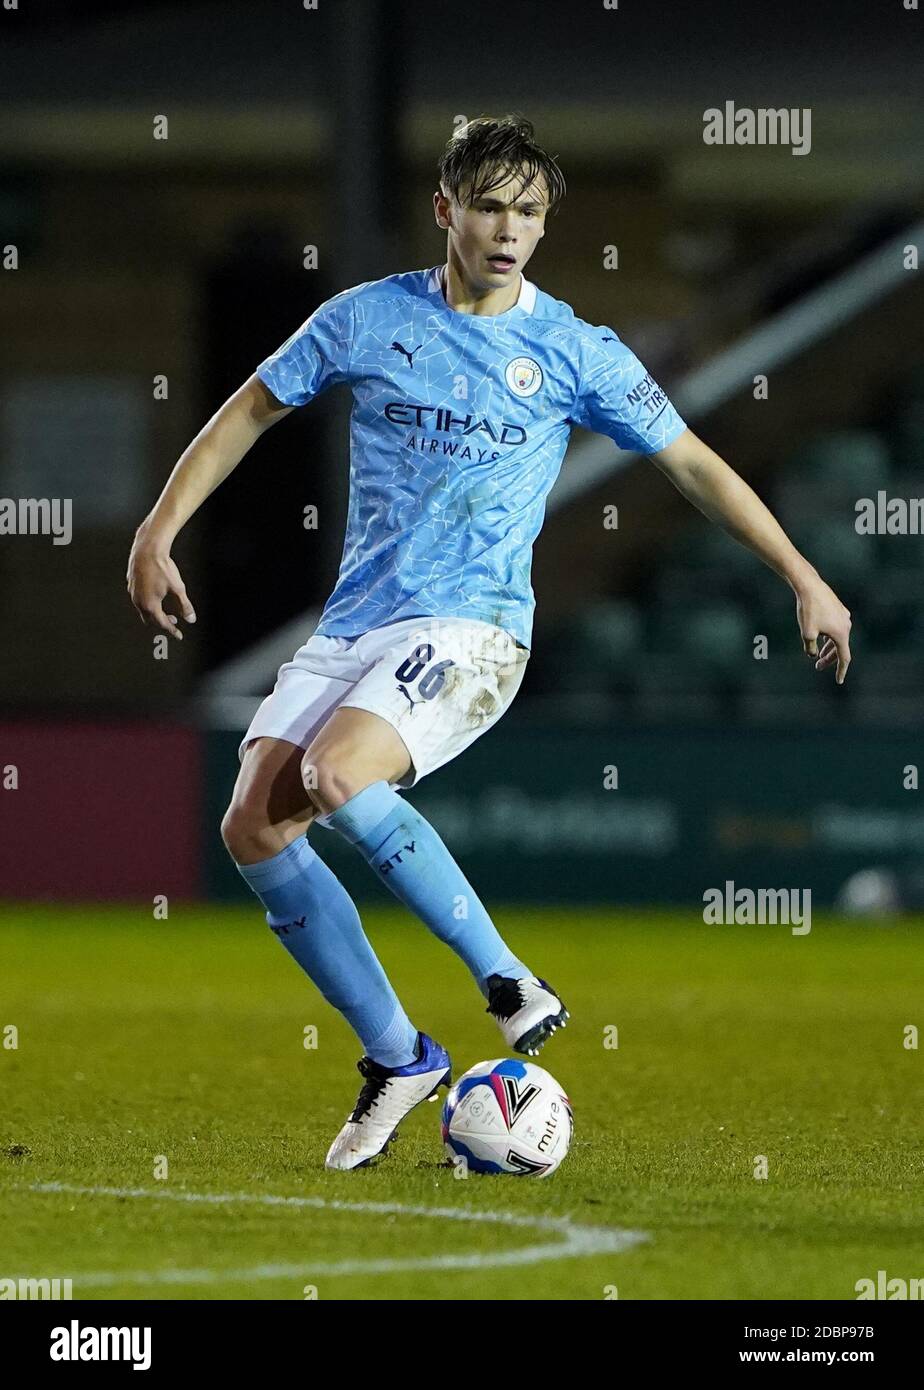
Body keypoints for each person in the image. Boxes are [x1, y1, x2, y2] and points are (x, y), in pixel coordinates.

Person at [127, 115, 852, 1171]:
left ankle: (507, 978)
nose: (509, 230)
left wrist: (805, 575)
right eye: (491, 207)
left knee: (333, 774)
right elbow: (248, 409)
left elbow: (692, 462)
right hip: (357, 627)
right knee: (251, 825)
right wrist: (157, 530)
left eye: (530, 212)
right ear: (446, 210)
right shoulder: (365, 319)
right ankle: (398, 1056)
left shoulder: (572, 351)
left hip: (474, 631)